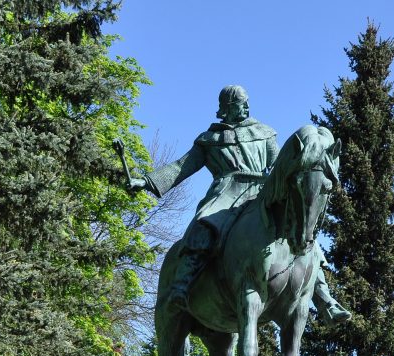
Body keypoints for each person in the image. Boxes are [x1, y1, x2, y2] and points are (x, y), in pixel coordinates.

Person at [130, 85, 350, 322]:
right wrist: (147, 181)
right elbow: (181, 167)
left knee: (302, 231)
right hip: (225, 193)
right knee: (203, 225)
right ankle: (182, 284)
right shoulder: (209, 139)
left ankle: (324, 297)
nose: (246, 107)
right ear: (225, 108)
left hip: (262, 192)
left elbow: (277, 167)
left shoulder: (264, 133)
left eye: (247, 102)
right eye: (239, 103)